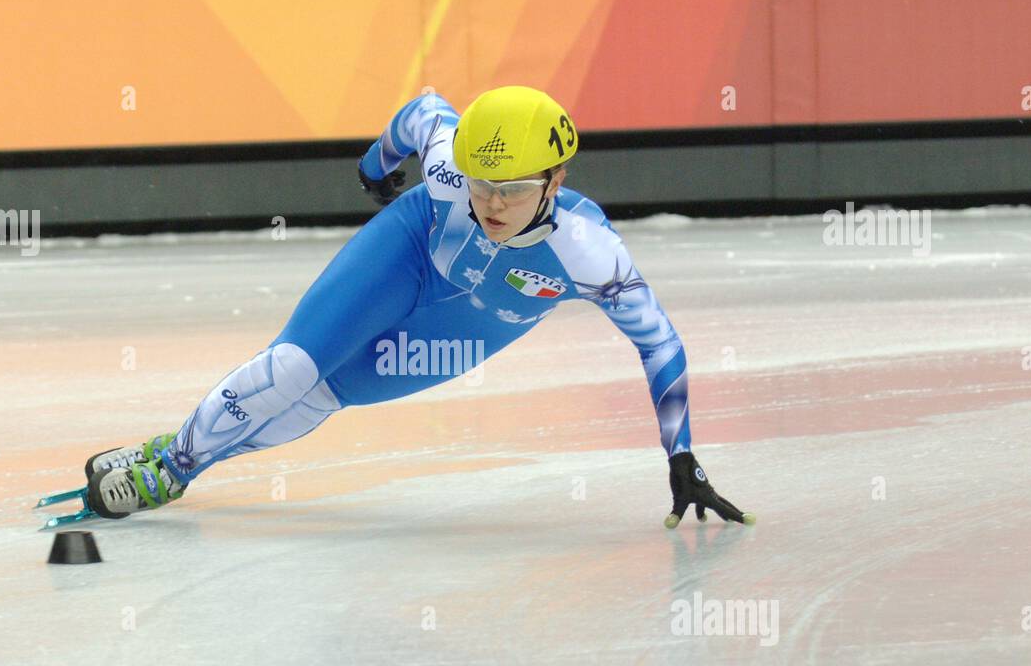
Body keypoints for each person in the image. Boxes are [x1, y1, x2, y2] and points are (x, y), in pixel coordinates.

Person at [81, 86, 753, 529]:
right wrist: (377, 166)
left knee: (321, 396)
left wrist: (680, 455)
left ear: (556, 179)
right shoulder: (447, 167)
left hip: (469, 321)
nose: (491, 204)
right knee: (291, 365)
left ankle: (179, 446)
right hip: (407, 254)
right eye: (483, 186)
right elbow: (425, 111)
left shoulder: (590, 252)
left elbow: (659, 342)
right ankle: (166, 472)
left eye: (512, 191)